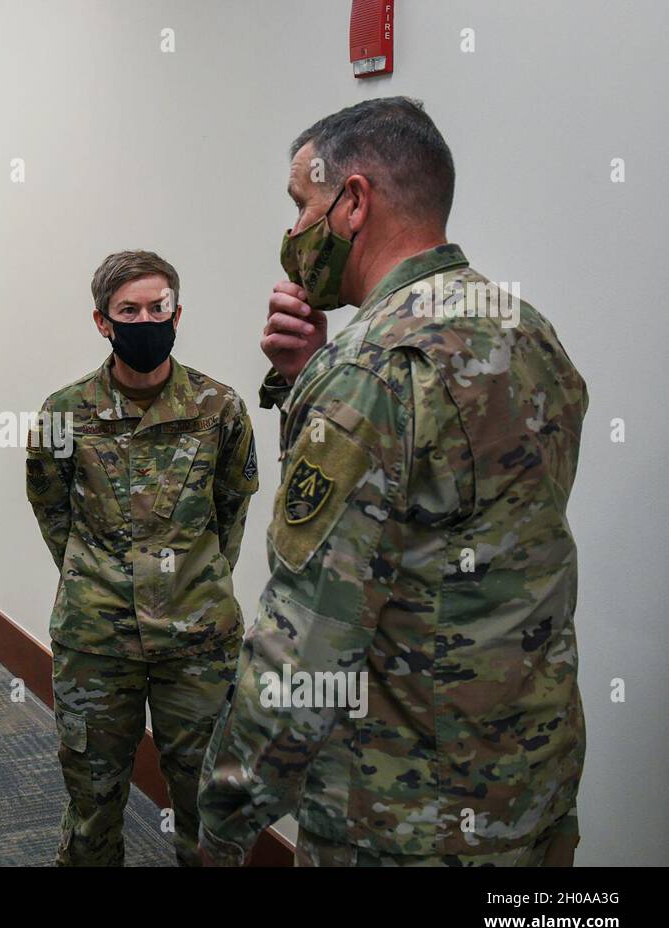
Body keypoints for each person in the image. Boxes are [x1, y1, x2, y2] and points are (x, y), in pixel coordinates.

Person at [198, 97, 587, 867]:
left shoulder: (371, 367)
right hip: (534, 789)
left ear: (353, 202)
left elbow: (306, 639)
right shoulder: (526, 329)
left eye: (301, 203)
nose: (294, 232)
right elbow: (451, 519)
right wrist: (310, 382)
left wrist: (223, 819)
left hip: (405, 819)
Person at [26, 250, 258, 865]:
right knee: (92, 807)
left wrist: (195, 583)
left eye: (159, 308)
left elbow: (231, 511)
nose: (146, 321)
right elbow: (52, 509)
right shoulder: (64, 412)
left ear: (178, 315)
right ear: (102, 321)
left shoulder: (220, 408)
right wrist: (98, 578)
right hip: (97, 640)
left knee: (209, 805)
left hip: (198, 641)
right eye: (129, 311)